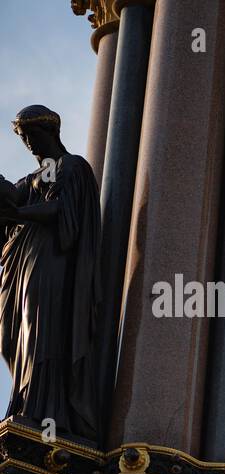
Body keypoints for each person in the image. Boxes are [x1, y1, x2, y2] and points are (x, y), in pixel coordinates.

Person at [0, 105, 103, 444]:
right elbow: (13, 204)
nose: (29, 144)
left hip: (49, 260)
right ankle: (25, 402)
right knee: (16, 336)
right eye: (23, 138)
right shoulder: (30, 180)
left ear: (50, 131)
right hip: (22, 264)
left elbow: (62, 210)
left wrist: (19, 212)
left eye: (31, 135)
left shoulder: (72, 167)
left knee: (41, 328)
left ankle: (48, 411)